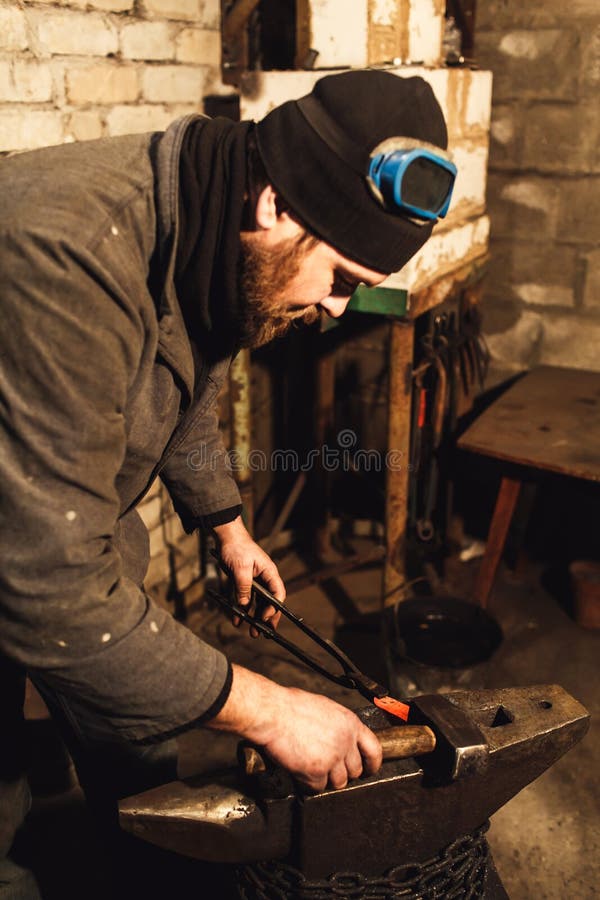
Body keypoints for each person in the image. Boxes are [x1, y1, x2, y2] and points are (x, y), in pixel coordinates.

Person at [0, 70, 456, 894]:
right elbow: (46, 593)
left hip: (67, 545)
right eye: (344, 279)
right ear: (278, 206)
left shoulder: (211, 212)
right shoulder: (65, 261)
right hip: (29, 568)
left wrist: (226, 525)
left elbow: (187, 384)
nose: (340, 311)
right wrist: (271, 708)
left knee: (139, 744)